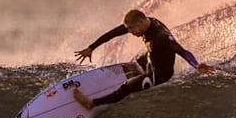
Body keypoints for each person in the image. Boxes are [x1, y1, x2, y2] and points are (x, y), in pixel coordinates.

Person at [72, 9, 214, 110]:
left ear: (140, 22)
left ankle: (91, 103)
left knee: (126, 87)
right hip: (152, 58)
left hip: (159, 74)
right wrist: (91, 48)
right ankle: (136, 74)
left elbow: (182, 51)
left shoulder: (161, 37)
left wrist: (196, 65)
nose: (131, 32)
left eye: (132, 29)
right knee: (135, 62)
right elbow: (113, 33)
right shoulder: (143, 23)